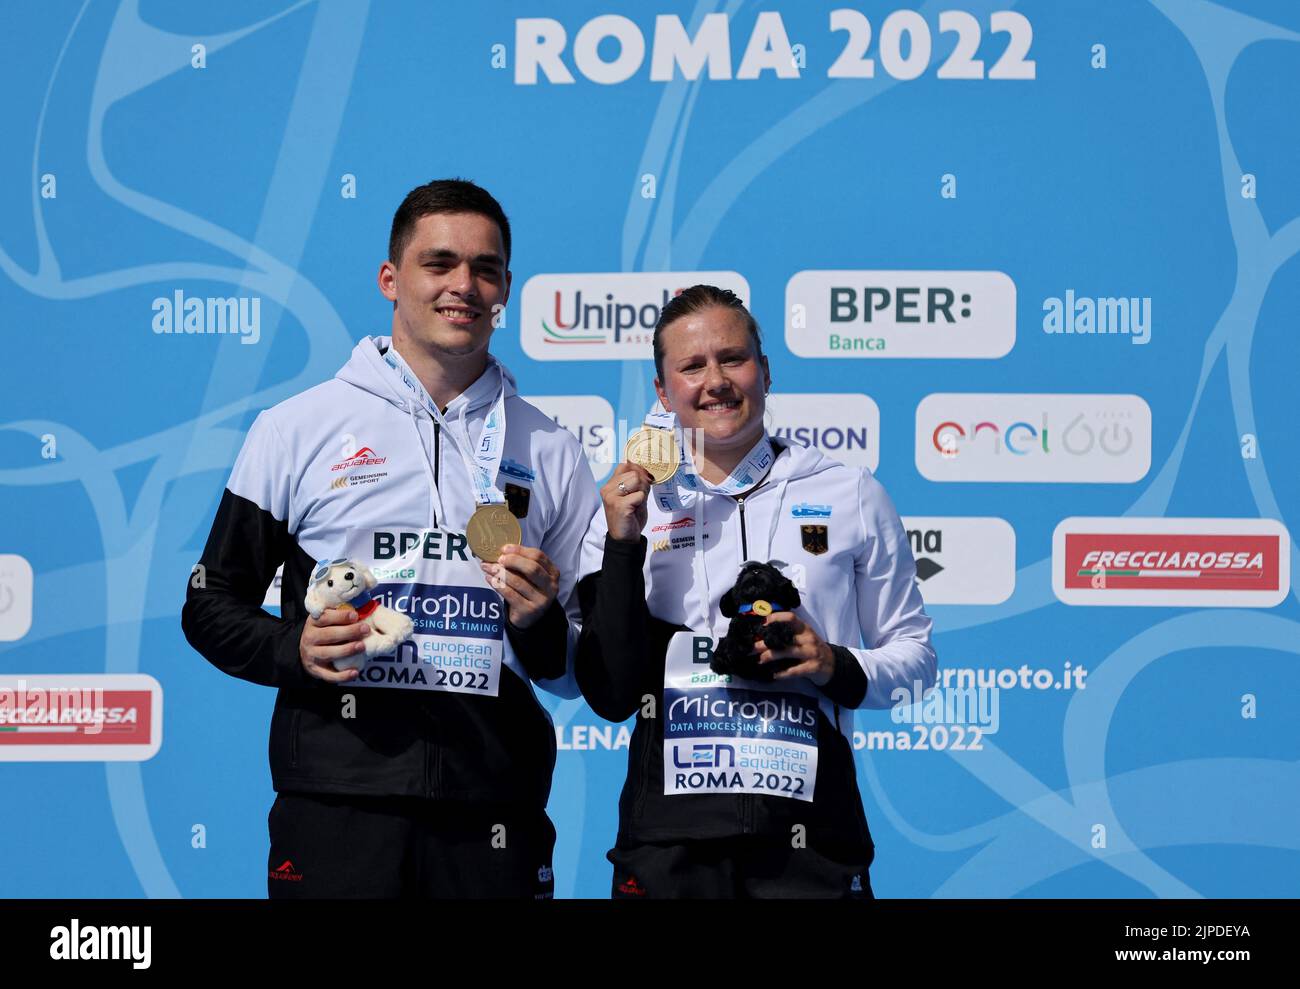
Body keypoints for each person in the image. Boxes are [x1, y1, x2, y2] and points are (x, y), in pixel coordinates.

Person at [182, 179, 600, 898]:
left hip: (492, 805)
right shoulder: (298, 428)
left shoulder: (551, 447)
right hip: (340, 798)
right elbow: (210, 603)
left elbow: (574, 667)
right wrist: (295, 649)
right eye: (439, 263)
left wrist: (539, 619)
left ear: (505, 288)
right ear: (390, 279)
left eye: (486, 268)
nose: (463, 285)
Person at [575, 284, 937, 898]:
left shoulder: (850, 492)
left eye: (732, 359)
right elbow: (609, 689)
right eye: (691, 366)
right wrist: (623, 543)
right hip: (670, 847)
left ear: (764, 371)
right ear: (663, 392)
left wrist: (832, 663)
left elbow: (918, 661)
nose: (715, 380)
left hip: (811, 840)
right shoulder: (625, 510)